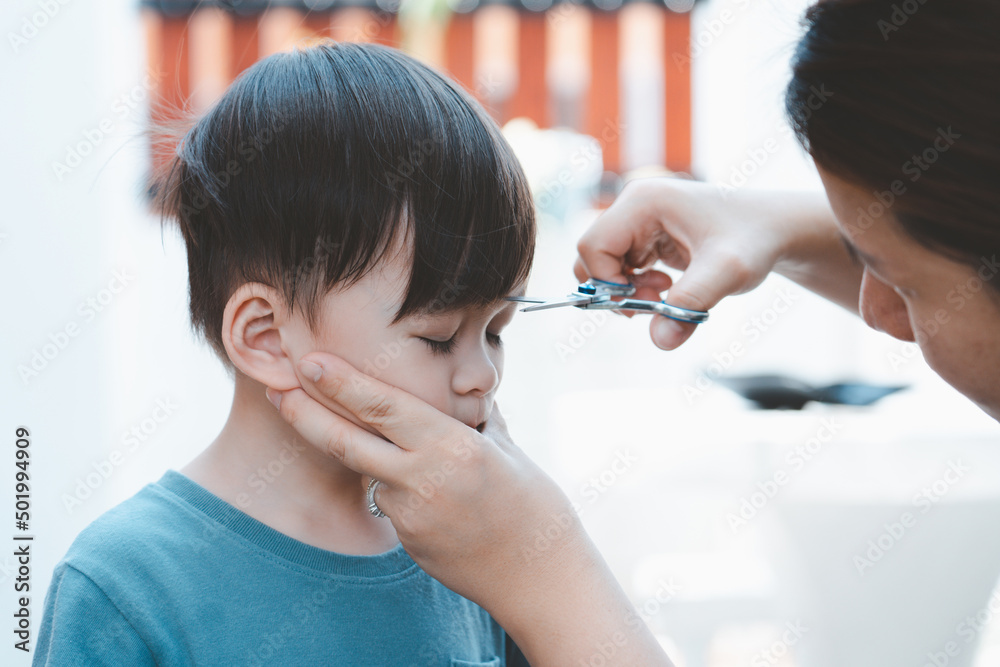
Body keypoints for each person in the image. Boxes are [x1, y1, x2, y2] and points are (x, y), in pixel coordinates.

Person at [261, 0, 1000, 664]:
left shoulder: (481, 581)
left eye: (903, 278)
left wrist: (546, 577)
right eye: (435, 337)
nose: (874, 312)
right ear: (261, 334)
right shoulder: (146, 591)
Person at [34, 41, 536, 665]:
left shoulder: (474, 546)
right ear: (266, 336)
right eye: (439, 337)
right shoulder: (127, 587)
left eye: (496, 330)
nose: (483, 375)